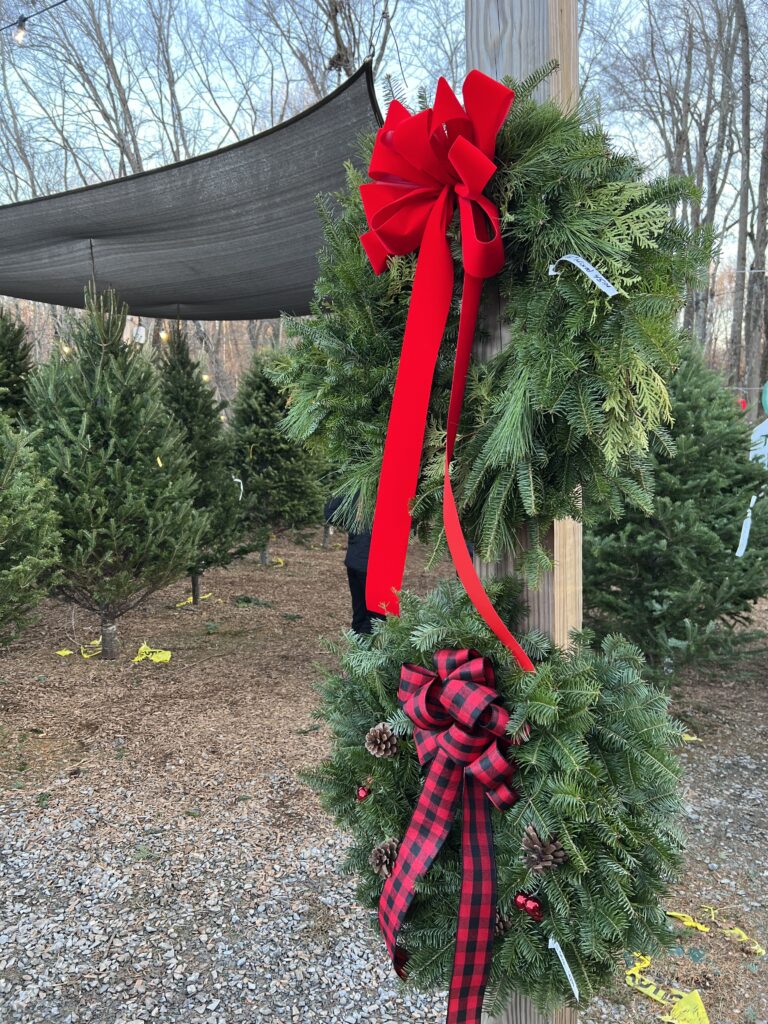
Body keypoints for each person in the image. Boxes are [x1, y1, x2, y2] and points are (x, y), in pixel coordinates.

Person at [324, 495, 386, 635]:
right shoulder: (386, 491)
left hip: (354, 560)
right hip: (374, 564)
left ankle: (354, 646)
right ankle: (361, 647)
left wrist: (351, 520)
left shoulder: (358, 490)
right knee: (377, 617)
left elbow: (330, 512)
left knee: (360, 613)